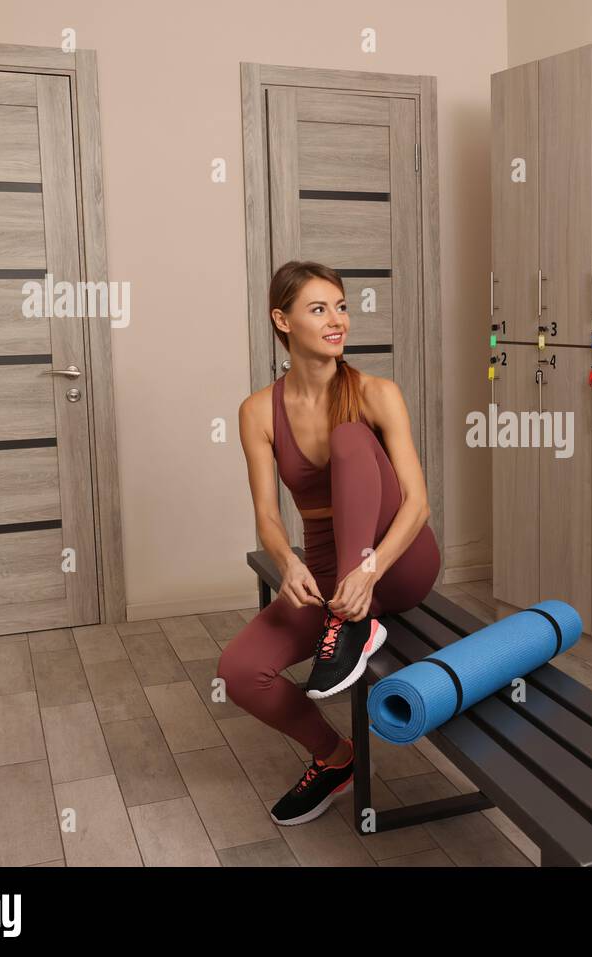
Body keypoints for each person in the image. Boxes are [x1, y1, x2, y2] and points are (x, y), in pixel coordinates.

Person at [217, 260, 441, 826]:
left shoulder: (375, 393)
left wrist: (366, 573)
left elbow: (418, 504)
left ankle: (354, 622)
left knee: (348, 439)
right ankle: (335, 759)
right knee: (239, 671)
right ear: (282, 320)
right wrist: (286, 561)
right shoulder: (257, 411)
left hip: (398, 560)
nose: (337, 320)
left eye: (341, 307)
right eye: (319, 309)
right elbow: (267, 516)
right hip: (327, 562)